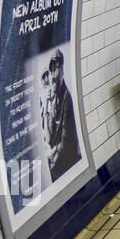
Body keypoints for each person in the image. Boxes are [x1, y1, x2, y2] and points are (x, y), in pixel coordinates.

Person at [40, 49, 80, 181]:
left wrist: (53, 156)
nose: (52, 76)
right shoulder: (55, 99)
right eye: (51, 71)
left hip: (68, 161)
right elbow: (49, 137)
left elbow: (66, 141)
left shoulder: (67, 99)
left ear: (62, 70)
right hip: (59, 157)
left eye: (55, 69)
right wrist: (47, 106)